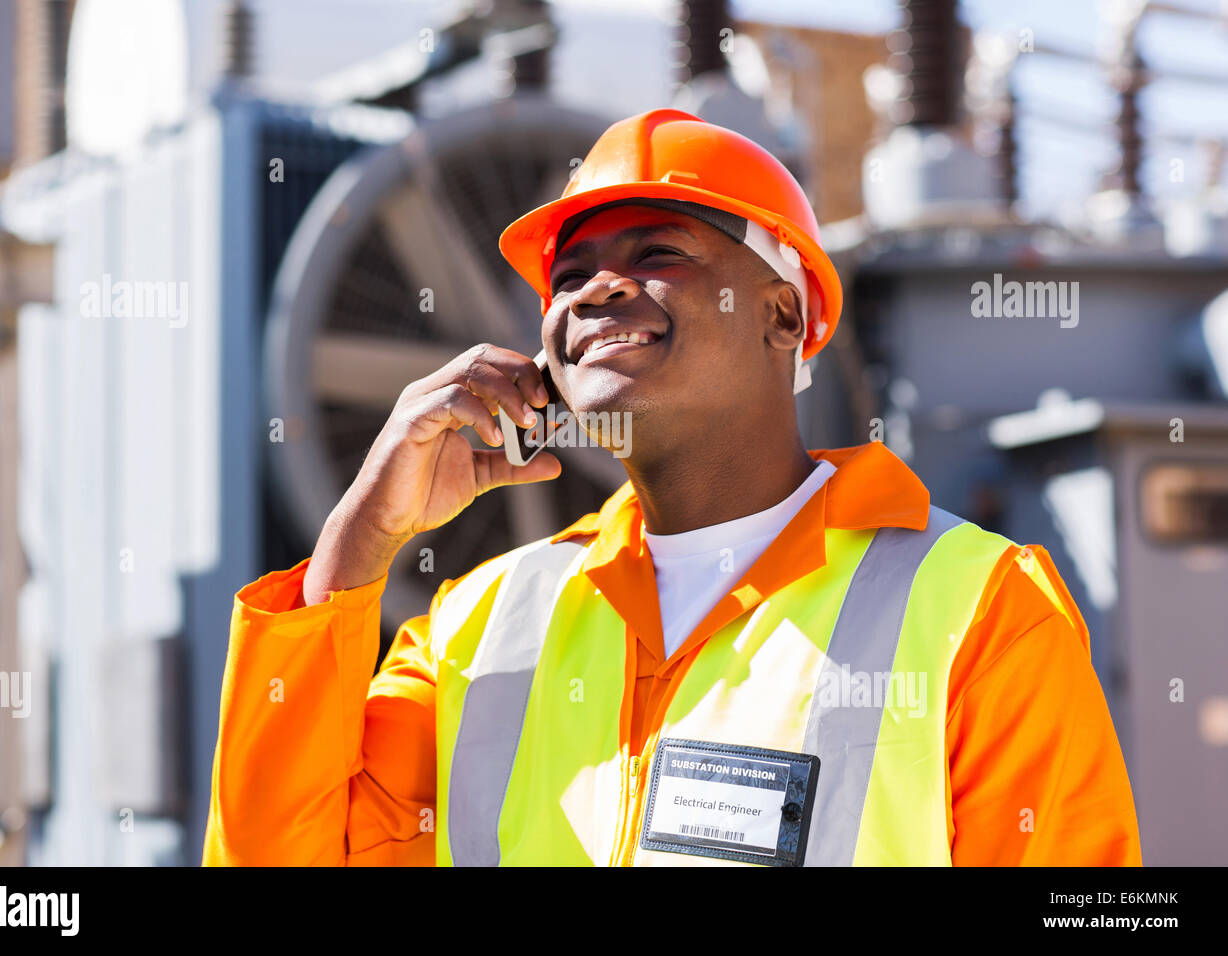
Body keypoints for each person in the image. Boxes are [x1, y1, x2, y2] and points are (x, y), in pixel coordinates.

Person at [202, 109, 1142, 866]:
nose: (598, 291)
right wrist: (361, 537)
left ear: (785, 312)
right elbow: (281, 854)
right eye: (570, 276)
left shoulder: (979, 610)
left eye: (659, 254)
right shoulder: (478, 627)